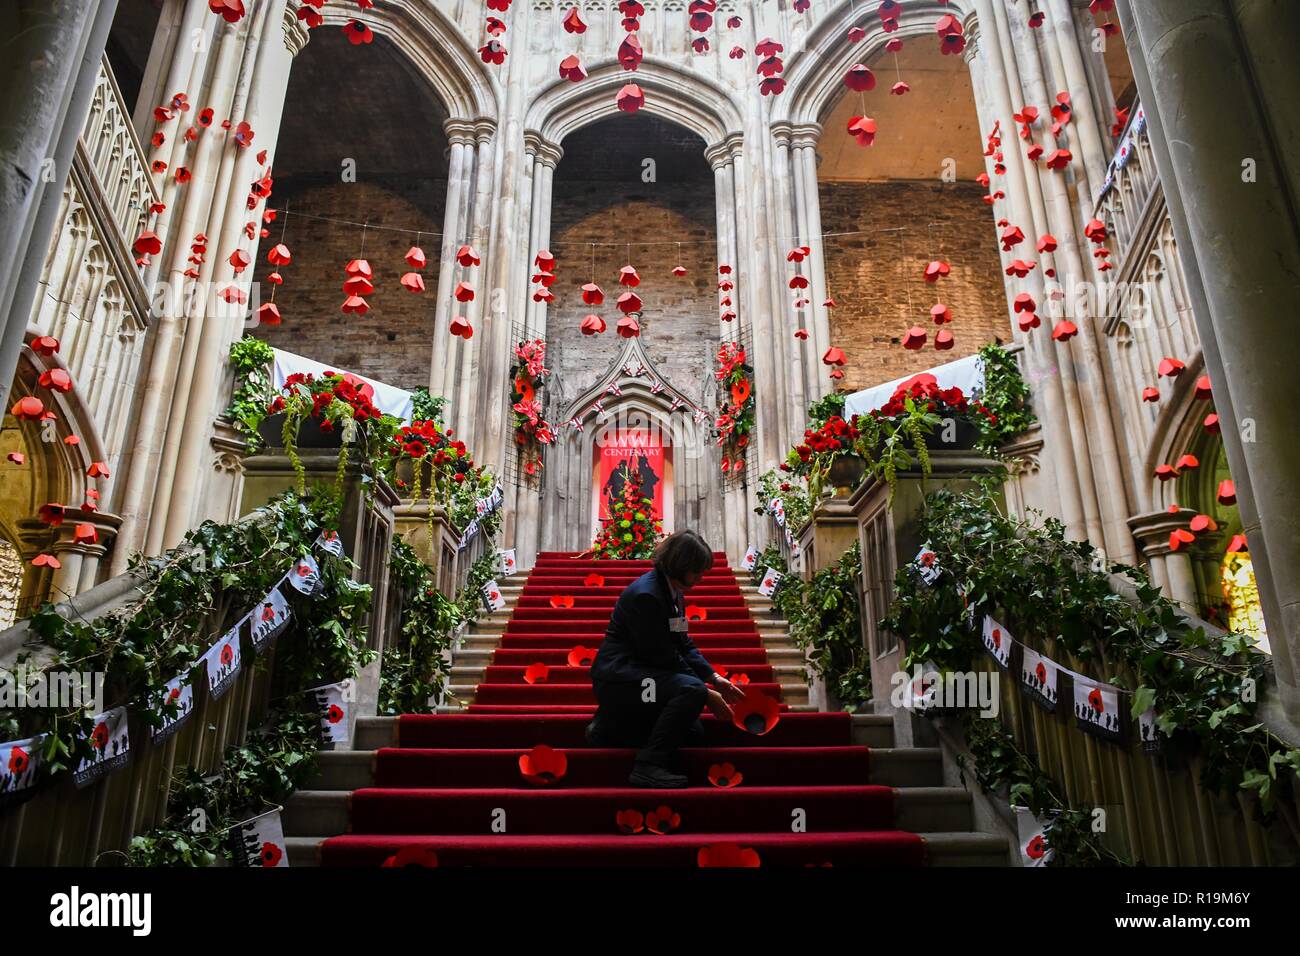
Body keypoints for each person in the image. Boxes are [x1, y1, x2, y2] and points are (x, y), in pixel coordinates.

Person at [585, 530, 748, 788]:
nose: (700, 578)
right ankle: (647, 765)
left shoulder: (673, 593)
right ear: (681, 565)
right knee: (692, 692)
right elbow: (661, 655)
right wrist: (705, 693)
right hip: (621, 681)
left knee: (694, 732)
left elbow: (683, 644)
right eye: (697, 571)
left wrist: (715, 679)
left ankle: (609, 730)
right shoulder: (646, 596)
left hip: (646, 677)